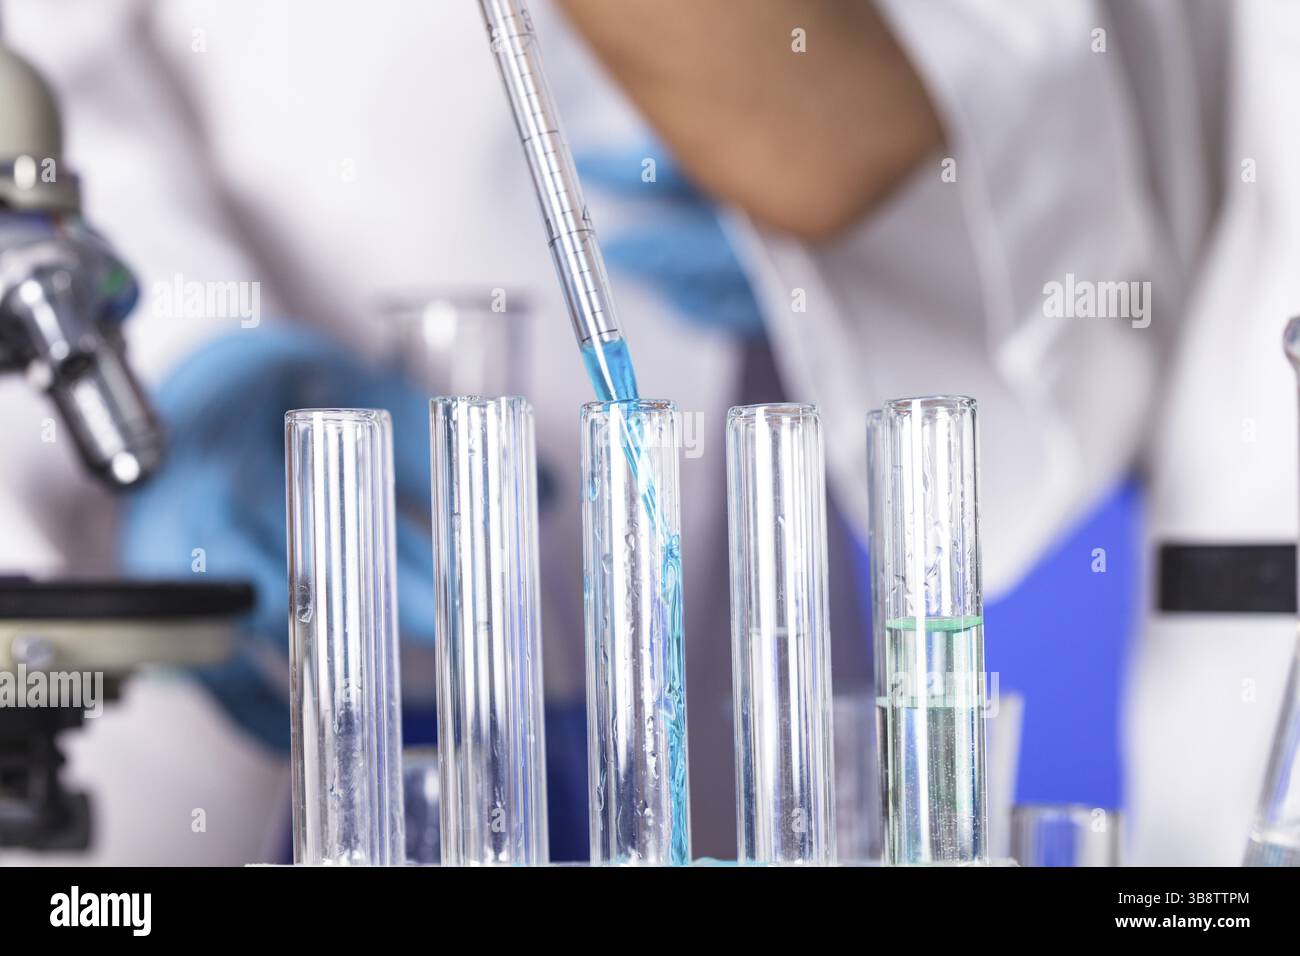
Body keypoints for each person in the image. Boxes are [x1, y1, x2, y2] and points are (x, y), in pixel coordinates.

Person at [3, 0, 1293, 864]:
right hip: (246, 679)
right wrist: (189, 344)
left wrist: (848, 225)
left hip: (729, 616)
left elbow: (1033, 129)